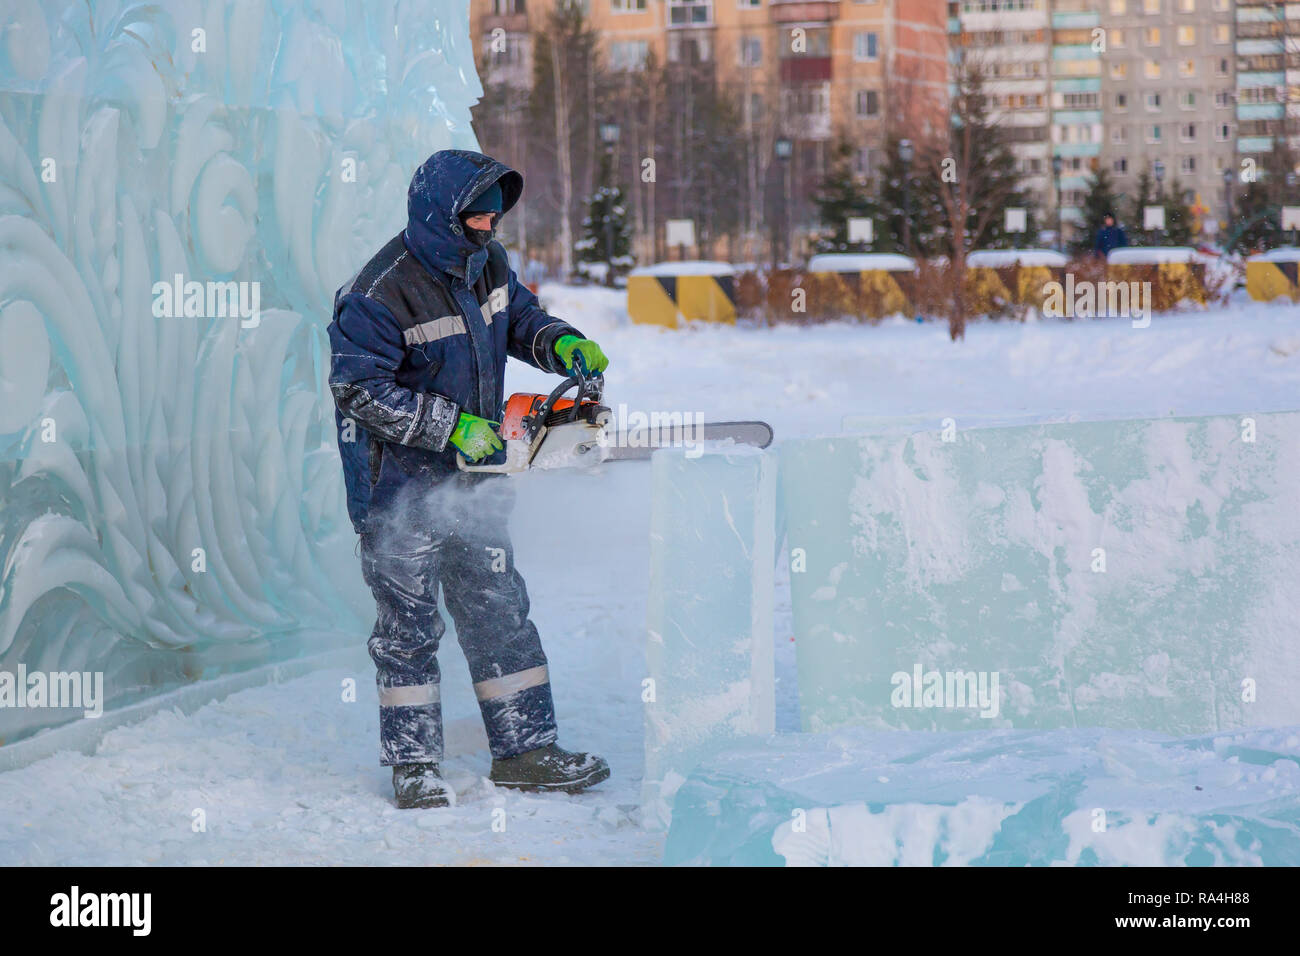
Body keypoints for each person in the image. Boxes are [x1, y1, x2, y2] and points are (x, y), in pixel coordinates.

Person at [328, 149, 612, 809]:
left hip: (475, 480)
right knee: (408, 628)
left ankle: (527, 751)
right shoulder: (378, 291)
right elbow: (357, 389)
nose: (490, 222)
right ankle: (414, 766)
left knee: (499, 613)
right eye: (478, 212)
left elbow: (519, 321)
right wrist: (449, 427)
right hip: (397, 491)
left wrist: (560, 343)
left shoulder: (489, 265)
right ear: (442, 214)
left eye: (495, 211)